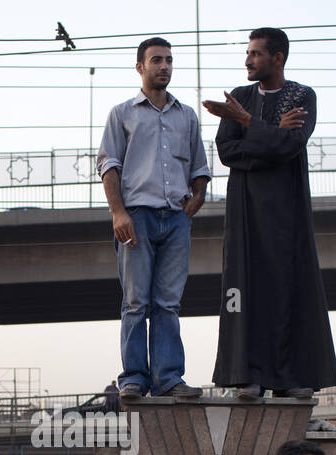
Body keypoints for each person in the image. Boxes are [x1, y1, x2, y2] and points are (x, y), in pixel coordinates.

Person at [204, 28, 336, 401]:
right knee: (245, 290)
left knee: (288, 286)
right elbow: (227, 151)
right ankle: (246, 375)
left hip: (287, 211)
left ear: (277, 58)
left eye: (255, 54)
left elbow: (292, 145)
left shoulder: (302, 96)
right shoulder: (240, 97)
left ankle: (290, 377)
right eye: (247, 54)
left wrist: (249, 125)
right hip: (246, 211)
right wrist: (268, 137)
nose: (248, 61)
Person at [96, 36, 210, 401]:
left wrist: (198, 197)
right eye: (157, 60)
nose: (164, 66)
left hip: (176, 219)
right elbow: (108, 165)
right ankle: (134, 378)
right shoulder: (122, 113)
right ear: (140, 67)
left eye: (169, 61)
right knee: (135, 302)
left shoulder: (186, 116)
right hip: (136, 217)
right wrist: (118, 212)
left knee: (168, 303)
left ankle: (169, 378)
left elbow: (200, 168)